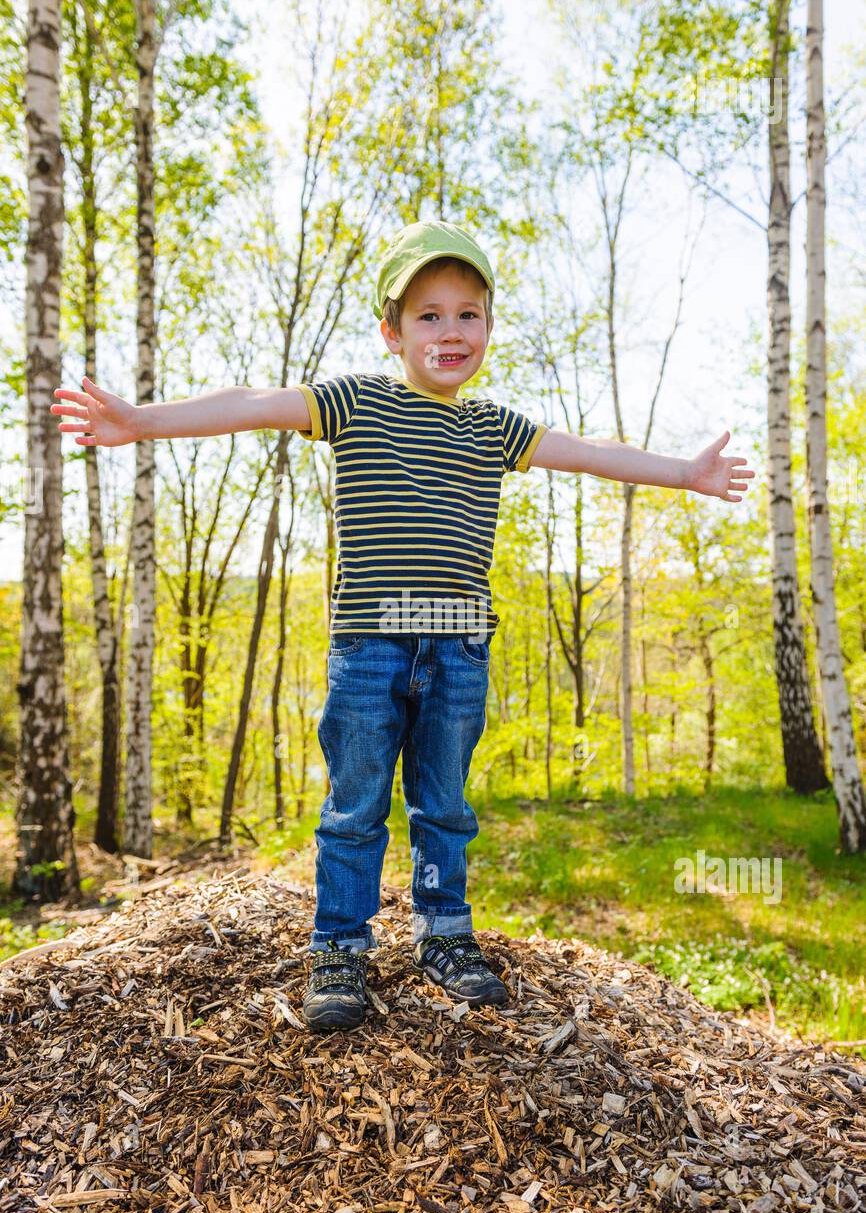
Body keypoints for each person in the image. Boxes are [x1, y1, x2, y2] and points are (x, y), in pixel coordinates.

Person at [52, 219, 755, 1033]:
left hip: (458, 649)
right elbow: (251, 403)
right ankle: (340, 948)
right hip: (370, 649)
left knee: (446, 806)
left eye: (468, 314)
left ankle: (445, 937)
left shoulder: (494, 426)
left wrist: (685, 474)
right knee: (354, 809)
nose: (450, 331)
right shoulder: (354, 401)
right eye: (429, 314)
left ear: (488, 328)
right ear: (392, 332)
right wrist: (141, 422)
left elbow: (591, 453)